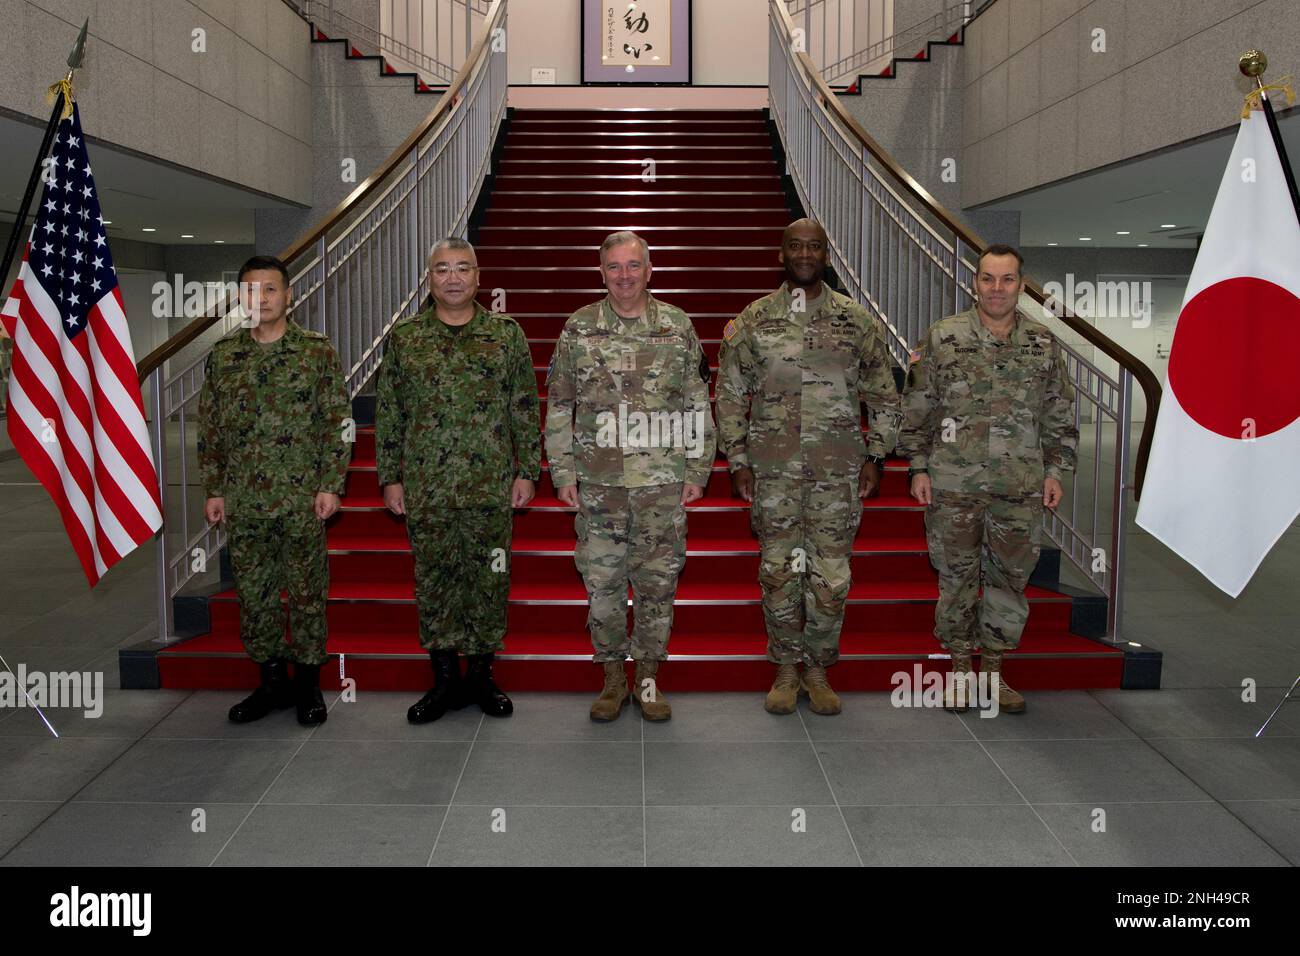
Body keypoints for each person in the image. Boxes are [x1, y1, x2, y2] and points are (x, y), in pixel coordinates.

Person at [716, 219, 901, 716]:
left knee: (831, 576)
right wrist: (737, 459)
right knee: (778, 571)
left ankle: (817, 668)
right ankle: (785, 667)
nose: (804, 254)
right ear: (782, 254)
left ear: (826, 254)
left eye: (814, 247)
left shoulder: (855, 322)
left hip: (837, 473)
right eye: (795, 246)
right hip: (772, 472)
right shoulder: (754, 320)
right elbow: (730, 396)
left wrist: (877, 455)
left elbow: (885, 395)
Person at [897, 244, 1078, 714]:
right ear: (973, 282)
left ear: (1021, 284)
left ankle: (994, 672)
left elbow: (1058, 413)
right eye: (988, 279)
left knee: (1010, 579)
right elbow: (917, 408)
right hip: (954, 483)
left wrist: (1056, 470)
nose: (997, 289)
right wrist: (917, 466)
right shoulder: (943, 337)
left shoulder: (1043, 343)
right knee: (955, 577)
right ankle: (959, 670)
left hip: (1020, 486)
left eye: (1007, 279)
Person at [545, 231, 715, 722]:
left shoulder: (676, 325)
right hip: (599, 487)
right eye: (614, 267)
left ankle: (647, 677)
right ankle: (612, 677)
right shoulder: (579, 328)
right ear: (601, 273)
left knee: (657, 585)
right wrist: (562, 471)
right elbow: (560, 405)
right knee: (603, 586)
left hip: (661, 484)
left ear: (649, 269)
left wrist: (698, 468)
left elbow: (697, 402)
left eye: (633, 265)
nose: (624, 276)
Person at [376, 238, 540, 723]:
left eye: (462, 269)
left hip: (490, 487)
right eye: (442, 270)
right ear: (429, 279)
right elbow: (389, 414)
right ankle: (444, 680)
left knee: (490, 579)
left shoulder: (507, 336)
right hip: (427, 488)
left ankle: (483, 677)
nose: (452, 278)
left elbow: (524, 408)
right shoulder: (405, 339)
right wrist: (391, 478)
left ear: (478, 277)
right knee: (434, 582)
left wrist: (527, 469)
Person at [197, 255, 351, 726]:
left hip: (303, 499)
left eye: (269, 289)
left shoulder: (315, 350)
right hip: (245, 502)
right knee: (255, 595)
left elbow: (339, 422)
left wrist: (331, 484)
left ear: (289, 296)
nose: (259, 298)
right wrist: (215, 488)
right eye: (249, 290)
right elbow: (211, 428)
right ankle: (270, 683)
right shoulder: (225, 355)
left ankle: (308, 686)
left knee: (306, 594)